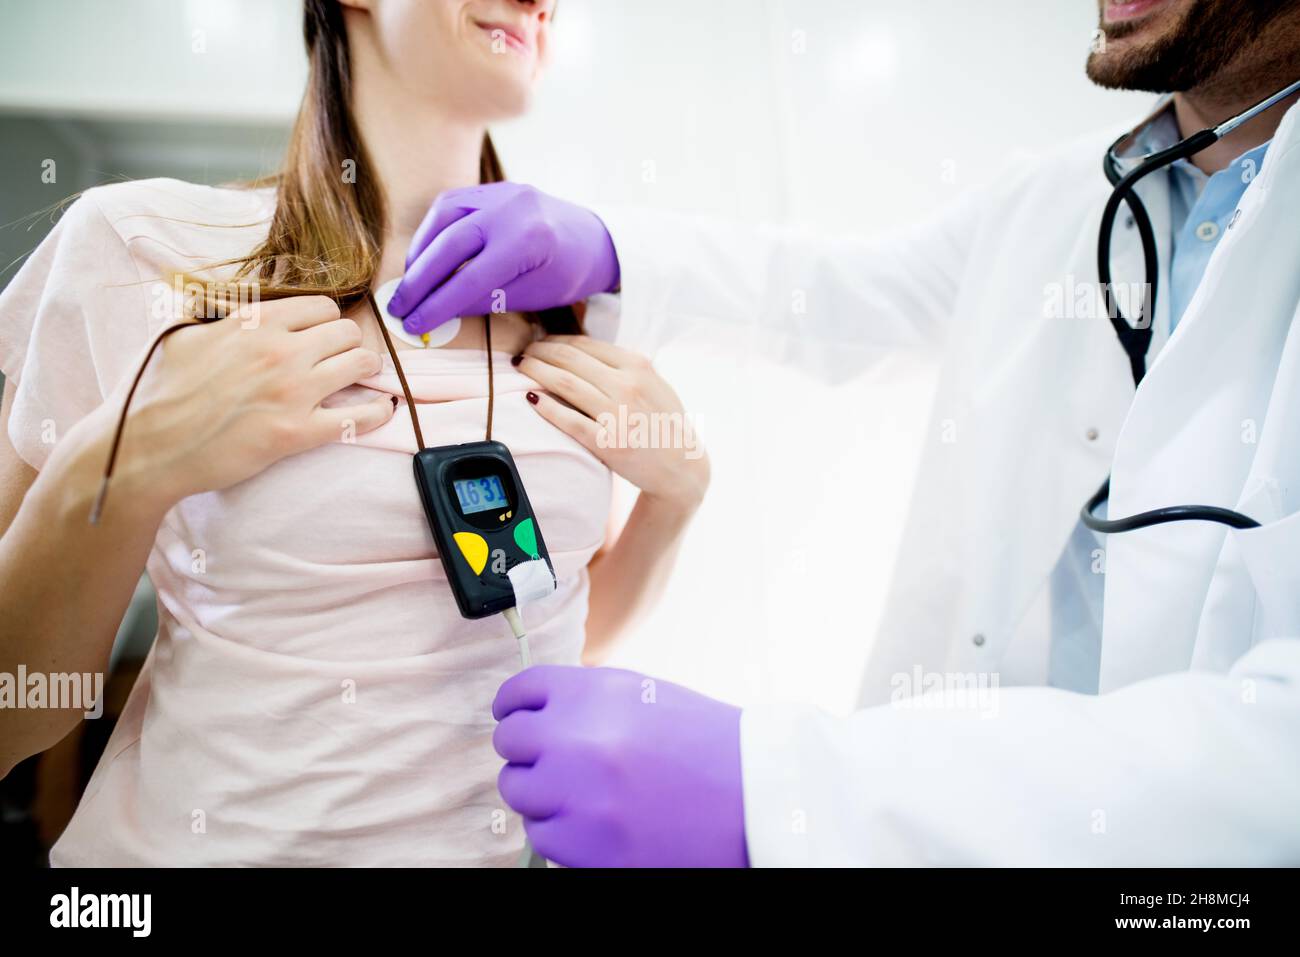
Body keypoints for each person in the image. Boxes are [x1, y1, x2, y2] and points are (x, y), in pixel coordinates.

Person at [391, 0, 1300, 865]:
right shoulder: (1065, 196)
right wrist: (617, 247)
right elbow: (845, 294)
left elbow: (1271, 756)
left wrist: (781, 791)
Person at [0, 0, 707, 866]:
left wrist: (676, 497)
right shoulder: (139, 249)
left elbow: (545, 629)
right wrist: (122, 464)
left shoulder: (587, 304)